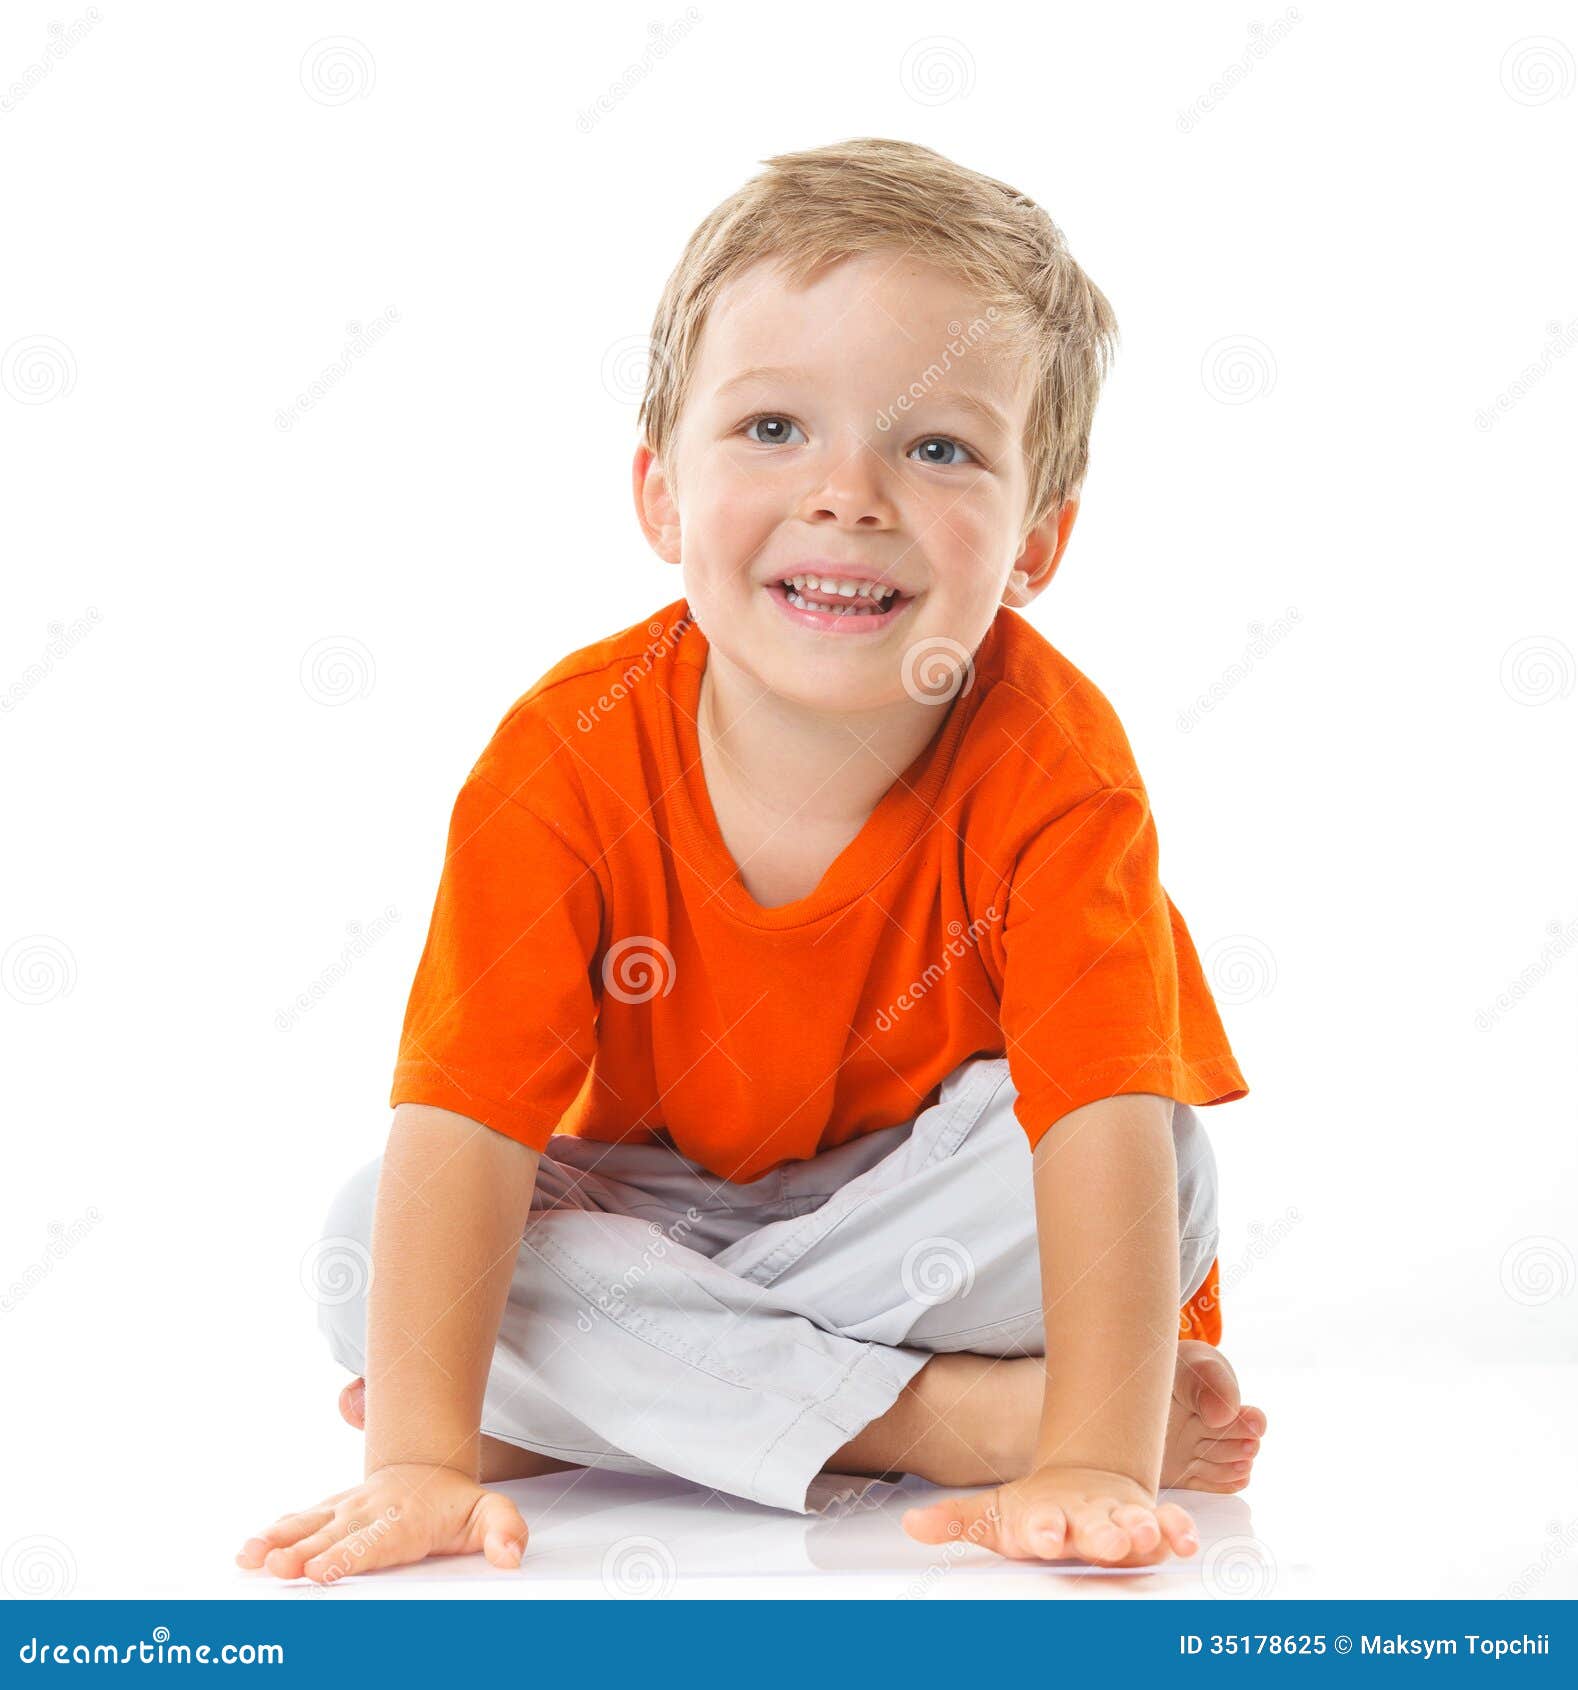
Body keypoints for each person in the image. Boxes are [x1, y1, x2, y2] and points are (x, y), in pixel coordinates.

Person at [237, 136, 1265, 1586]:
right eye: (775, 428)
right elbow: (468, 1124)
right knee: (369, 1246)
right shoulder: (565, 751)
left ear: (1037, 541)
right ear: (658, 494)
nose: (847, 494)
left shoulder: (1056, 761)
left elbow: (1091, 1121)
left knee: (1160, 1159)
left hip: (943, 1211)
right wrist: (415, 1458)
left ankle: (633, 1410)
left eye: (936, 447)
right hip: (670, 1210)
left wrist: (1094, 1453)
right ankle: (945, 1416)